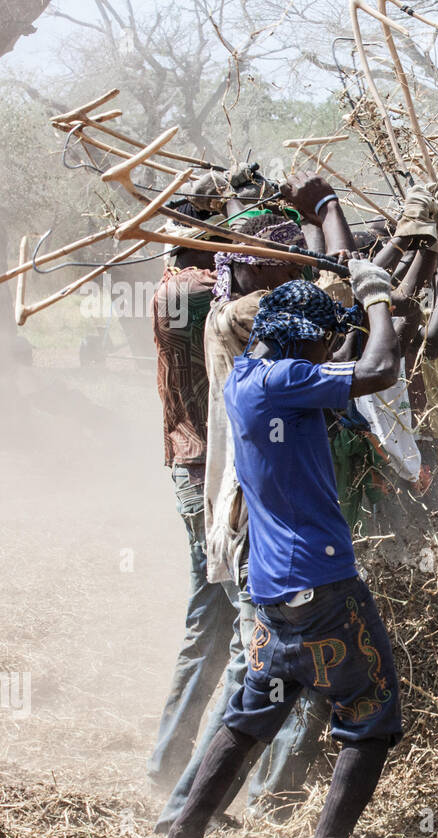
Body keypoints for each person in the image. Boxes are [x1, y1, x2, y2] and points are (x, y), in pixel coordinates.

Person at [166, 264, 404, 838]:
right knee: (371, 716)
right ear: (301, 342)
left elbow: (340, 364)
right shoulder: (286, 380)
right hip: (324, 587)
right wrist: (377, 298)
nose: (328, 351)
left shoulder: (247, 377)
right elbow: (379, 369)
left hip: (273, 590)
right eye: (322, 341)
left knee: (251, 713)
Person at [146, 213, 243, 797]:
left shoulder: (171, 282)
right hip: (204, 465)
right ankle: (185, 772)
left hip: (197, 462)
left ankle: (177, 760)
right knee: (219, 613)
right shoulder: (199, 290)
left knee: (214, 614)